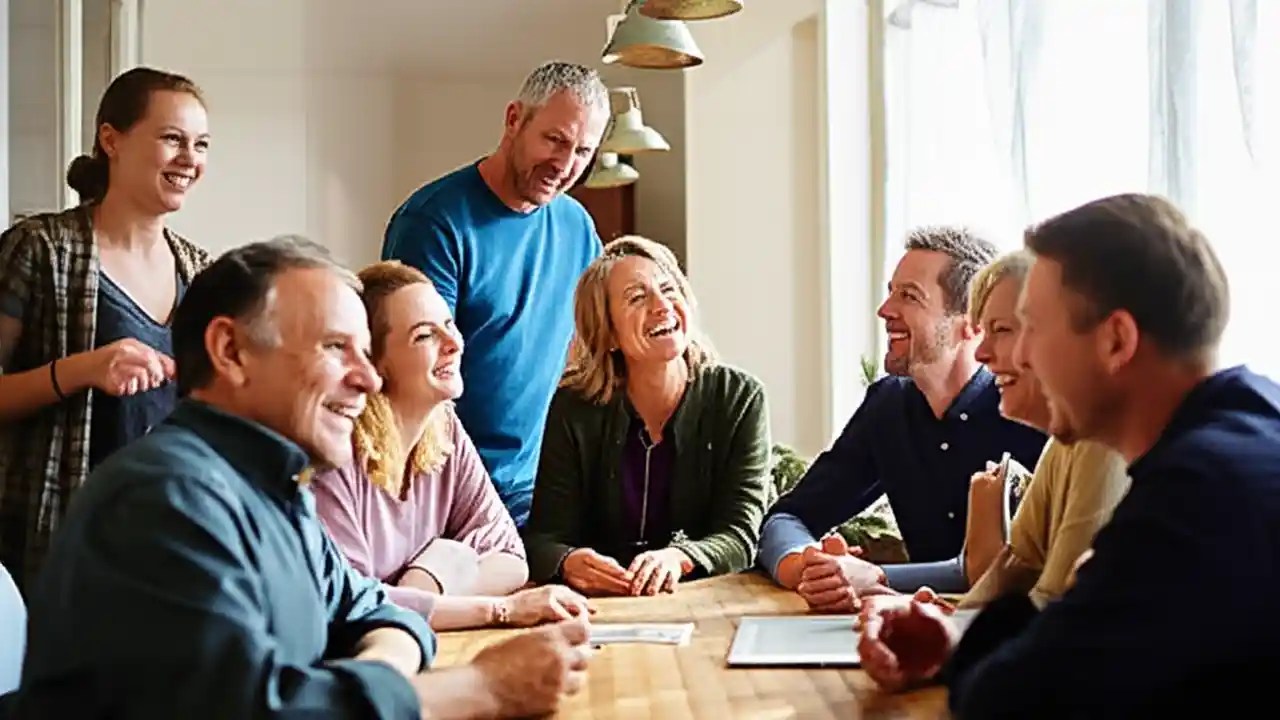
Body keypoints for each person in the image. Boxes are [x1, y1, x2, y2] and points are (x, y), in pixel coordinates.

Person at [5, 238, 592, 719]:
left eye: (367, 352)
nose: (368, 380)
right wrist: (478, 690)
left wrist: (368, 682)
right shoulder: (164, 500)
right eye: (338, 348)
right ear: (230, 350)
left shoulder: (273, 492)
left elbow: (381, 613)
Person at [865, 194, 1280, 717]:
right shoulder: (1254, 425)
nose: (1019, 356)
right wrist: (952, 647)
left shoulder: (1195, 492)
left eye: (1033, 327)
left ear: (1116, 340)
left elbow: (1014, 701)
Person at [857, 251, 1131, 691]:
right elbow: (1013, 568)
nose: (983, 353)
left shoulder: (1103, 442)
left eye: (1003, 331)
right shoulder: (1065, 443)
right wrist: (937, 628)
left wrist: (950, 642)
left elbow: (1051, 609)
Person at [0, 66, 213, 591]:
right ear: (110, 139)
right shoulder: (40, 248)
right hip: (54, 547)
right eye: (172, 139)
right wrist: (82, 370)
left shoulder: (202, 271)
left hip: (168, 542)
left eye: (201, 144)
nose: (190, 159)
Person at [758, 227, 1047, 604]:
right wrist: (809, 567)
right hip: (913, 625)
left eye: (909, 296)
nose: (885, 310)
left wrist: (874, 576)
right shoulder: (888, 406)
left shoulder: (1030, 408)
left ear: (971, 323)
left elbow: (1009, 569)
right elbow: (787, 519)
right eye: (890, 291)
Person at [382, 61, 610, 526]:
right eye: (554, 140)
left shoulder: (577, 226)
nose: (565, 166)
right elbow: (415, 374)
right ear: (513, 120)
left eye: (582, 151)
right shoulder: (433, 222)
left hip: (540, 488)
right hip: (444, 489)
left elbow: (591, 351)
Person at [311, 260, 592, 630]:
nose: (454, 344)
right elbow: (351, 606)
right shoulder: (335, 452)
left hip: (417, 644)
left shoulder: (443, 426)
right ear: (374, 363)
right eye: (424, 335)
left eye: (449, 326)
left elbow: (509, 556)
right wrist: (490, 604)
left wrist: (429, 576)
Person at [524, 236, 772, 596]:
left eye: (669, 289)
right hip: (603, 606)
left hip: (707, 599)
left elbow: (740, 534)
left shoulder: (739, 398)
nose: (662, 306)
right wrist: (568, 560)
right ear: (607, 332)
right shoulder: (574, 406)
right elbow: (545, 538)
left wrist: (678, 558)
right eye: (637, 298)